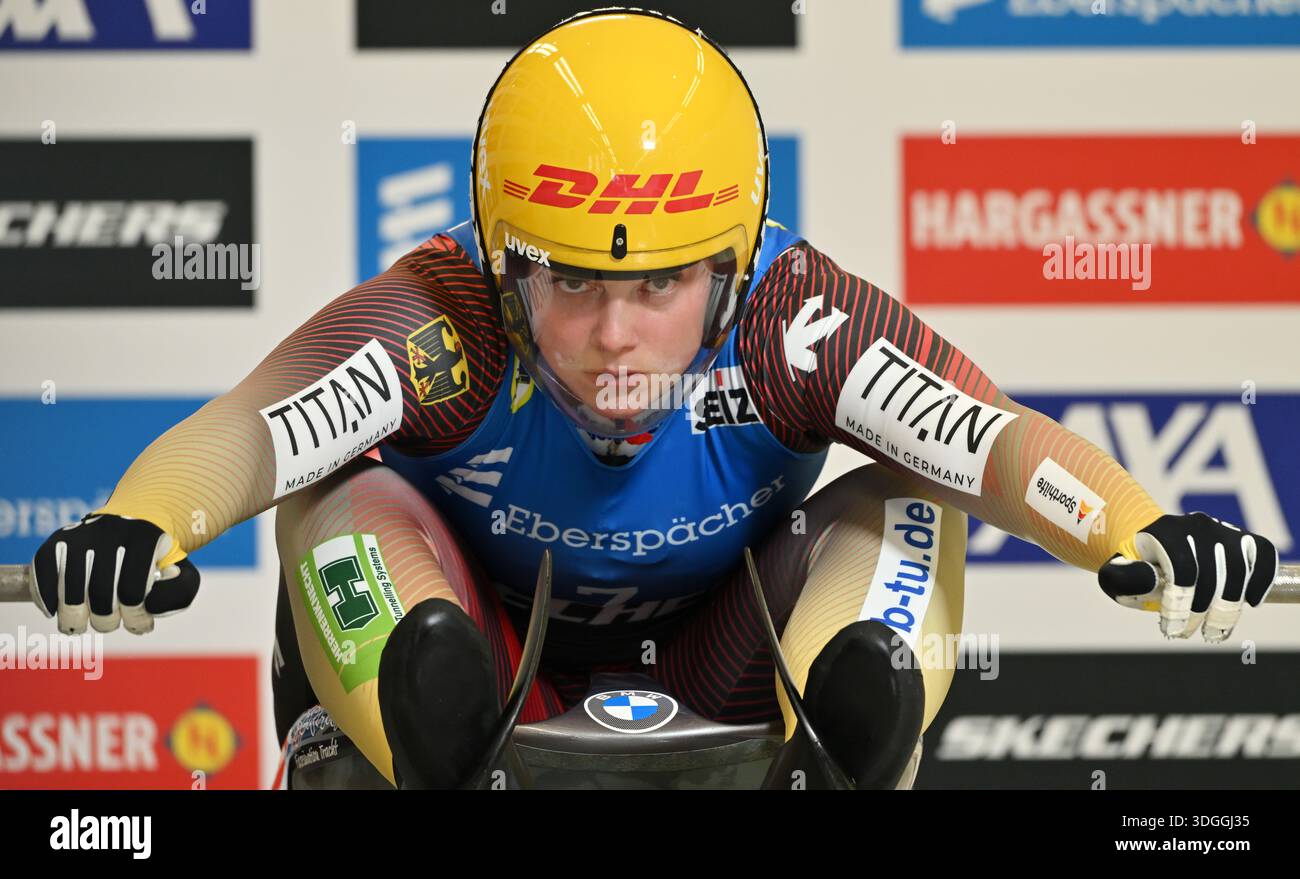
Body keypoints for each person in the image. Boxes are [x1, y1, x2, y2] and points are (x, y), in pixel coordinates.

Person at [28, 8, 1279, 790]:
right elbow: (249, 433)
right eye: (566, 282)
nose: (614, 336)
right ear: (497, 254)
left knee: (907, 489)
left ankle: (852, 752)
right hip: (471, 666)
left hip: (732, 677)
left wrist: (1138, 528)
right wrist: (143, 525)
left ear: (733, 265)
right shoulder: (438, 319)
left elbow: (994, 446)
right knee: (332, 487)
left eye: (665, 283)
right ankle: (426, 752)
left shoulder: (798, 318)